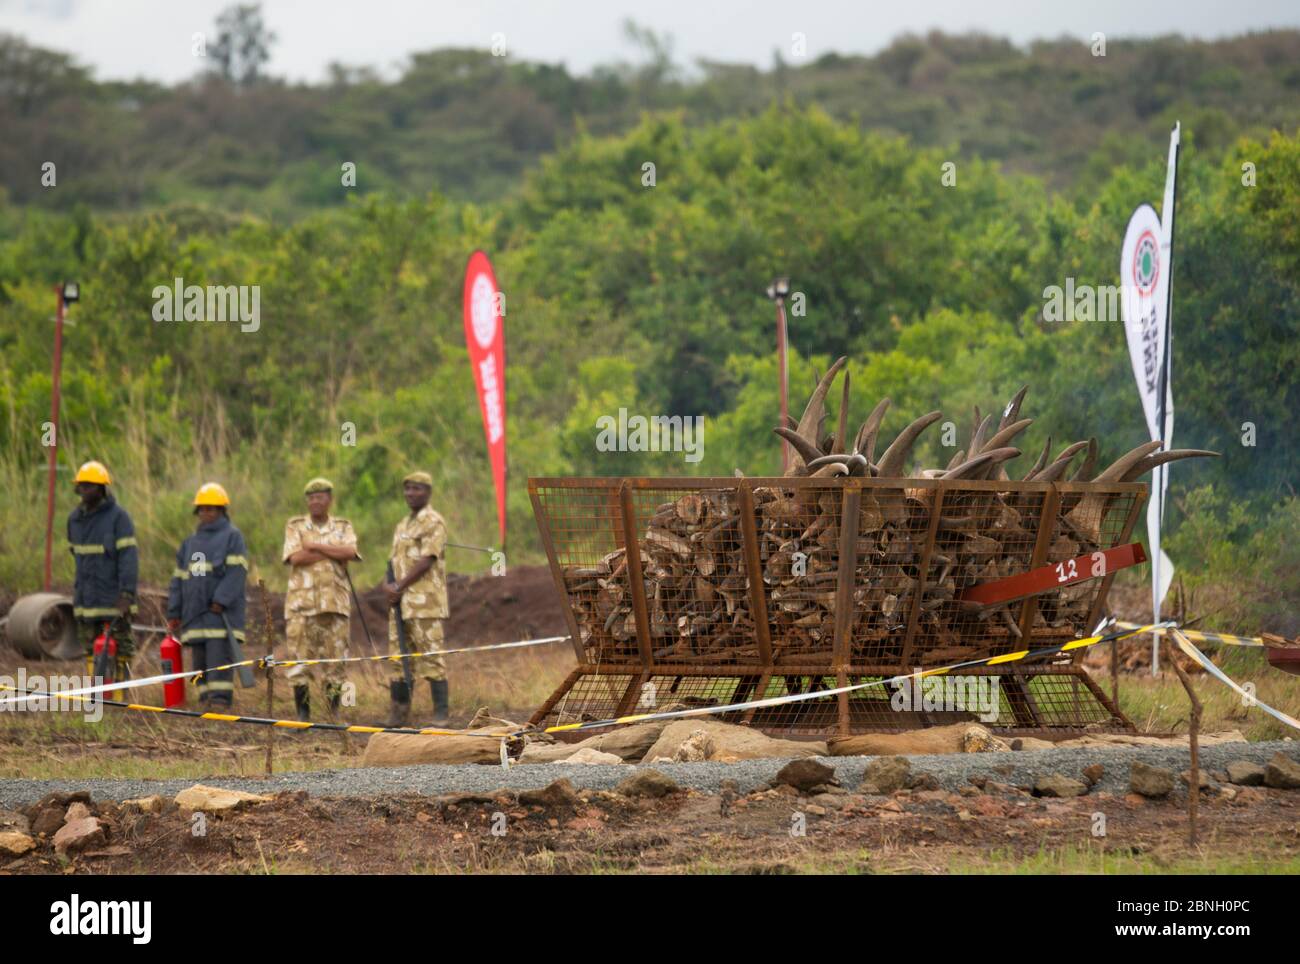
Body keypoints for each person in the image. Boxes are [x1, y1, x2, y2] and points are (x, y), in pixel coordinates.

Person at [281, 477, 359, 722]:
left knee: (335, 664)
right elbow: (295, 558)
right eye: (311, 497)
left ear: (330, 499)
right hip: (301, 607)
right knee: (299, 662)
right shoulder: (295, 526)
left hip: (335, 605)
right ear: (307, 501)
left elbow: (350, 552)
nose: (315, 501)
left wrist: (314, 546)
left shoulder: (343, 526)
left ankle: (333, 715)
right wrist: (333, 551)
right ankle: (303, 717)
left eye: (320, 497)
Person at [166, 483, 248, 708]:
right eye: (202, 509)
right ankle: (204, 700)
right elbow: (178, 580)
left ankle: (220, 702)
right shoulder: (189, 543)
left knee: (218, 658)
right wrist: (174, 611)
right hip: (194, 615)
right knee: (199, 661)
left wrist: (221, 600)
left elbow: (236, 572)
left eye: (211, 509)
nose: (206, 513)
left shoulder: (233, 537)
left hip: (220, 616)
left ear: (222, 511)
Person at [384, 471, 450, 727]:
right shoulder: (403, 525)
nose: (411, 493)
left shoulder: (434, 522)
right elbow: (392, 561)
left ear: (428, 492)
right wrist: (387, 586)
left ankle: (440, 716)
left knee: (432, 656)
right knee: (399, 658)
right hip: (400, 603)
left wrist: (399, 585)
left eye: (417, 489)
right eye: (408, 489)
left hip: (425, 602)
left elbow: (427, 559)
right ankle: (398, 714)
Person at [67, 460, 138, 680]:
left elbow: (129, 559)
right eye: (82, 486)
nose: (84, 490)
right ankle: (97, 695)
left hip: (114, 600)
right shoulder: (74, 520)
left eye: (90, 486)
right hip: (86, 602)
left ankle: (120, 696)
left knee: (121, 650)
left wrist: (126, 594)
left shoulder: (119, 518)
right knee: (91, 651)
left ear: (102, 488)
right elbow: (77, 559)